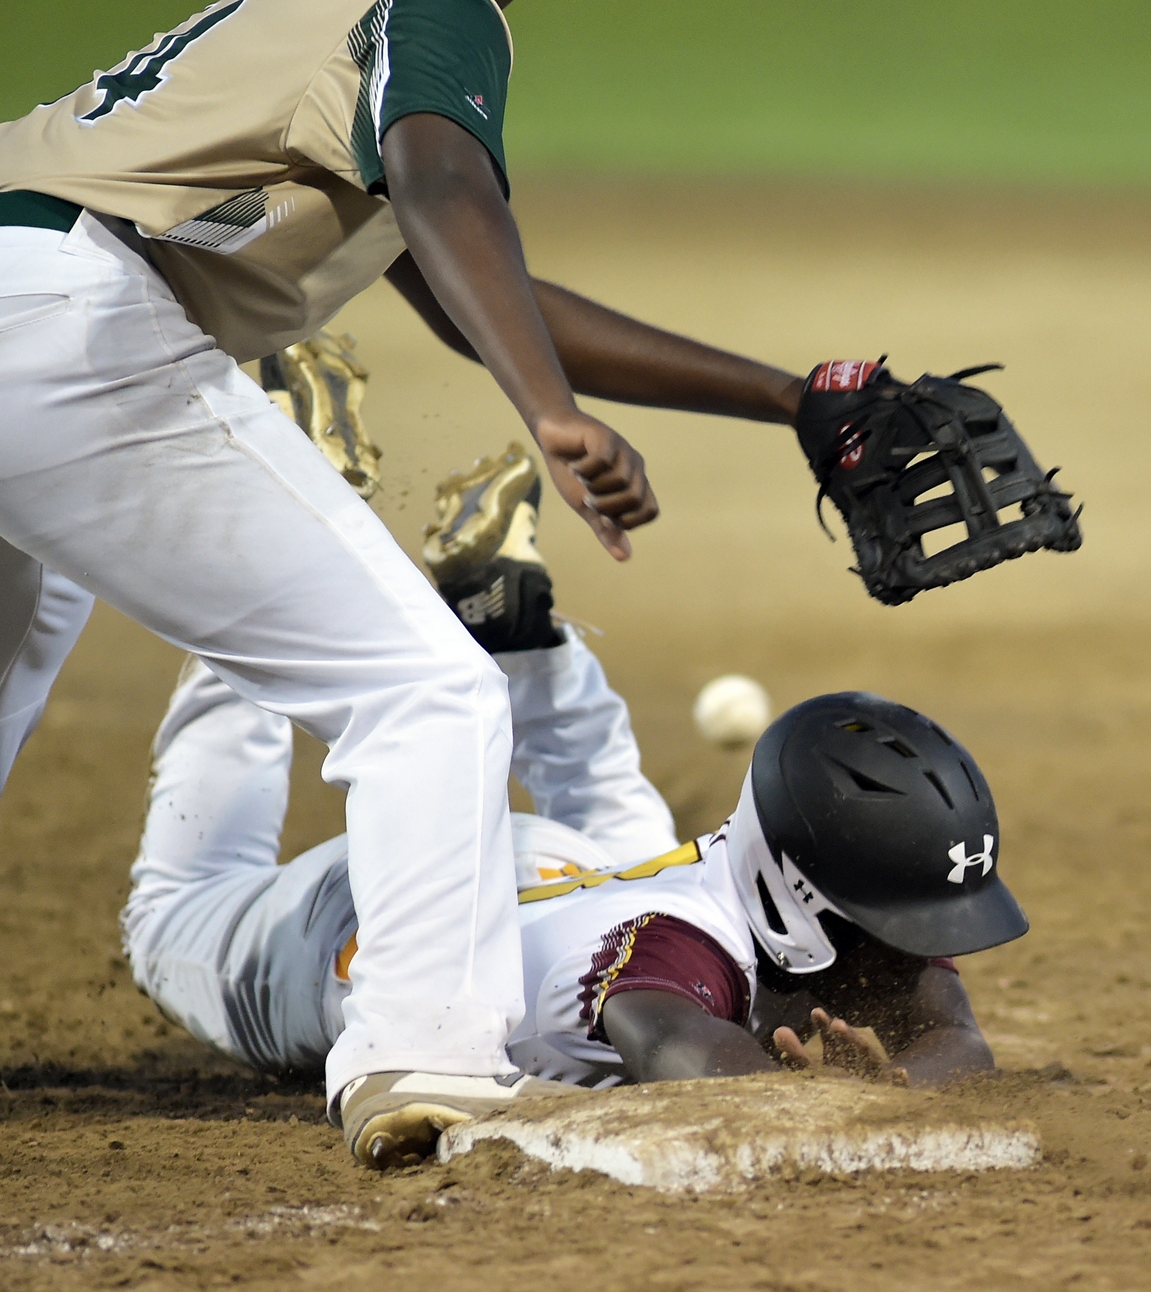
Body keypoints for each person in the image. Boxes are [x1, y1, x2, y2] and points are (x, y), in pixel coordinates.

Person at [0, 0, 815, 1158]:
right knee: (426, 693)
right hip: (62, 327)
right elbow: (440, 176)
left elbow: (461, 270)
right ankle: (422, 1052)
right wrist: (547, 413)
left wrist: (785, 398)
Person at [120, 466, 1026, 1166]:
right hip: (368, 907)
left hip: (563, 881)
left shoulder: (813, 885)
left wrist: (898, 1081)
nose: (912, 946)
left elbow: (957, 1038)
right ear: (801, 895)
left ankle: (520, 629)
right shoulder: (674, 960)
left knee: (625, 842)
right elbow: (693, 1065)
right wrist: (854, 1100)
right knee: (169, 919)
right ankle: (262, 569)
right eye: (893, 923)